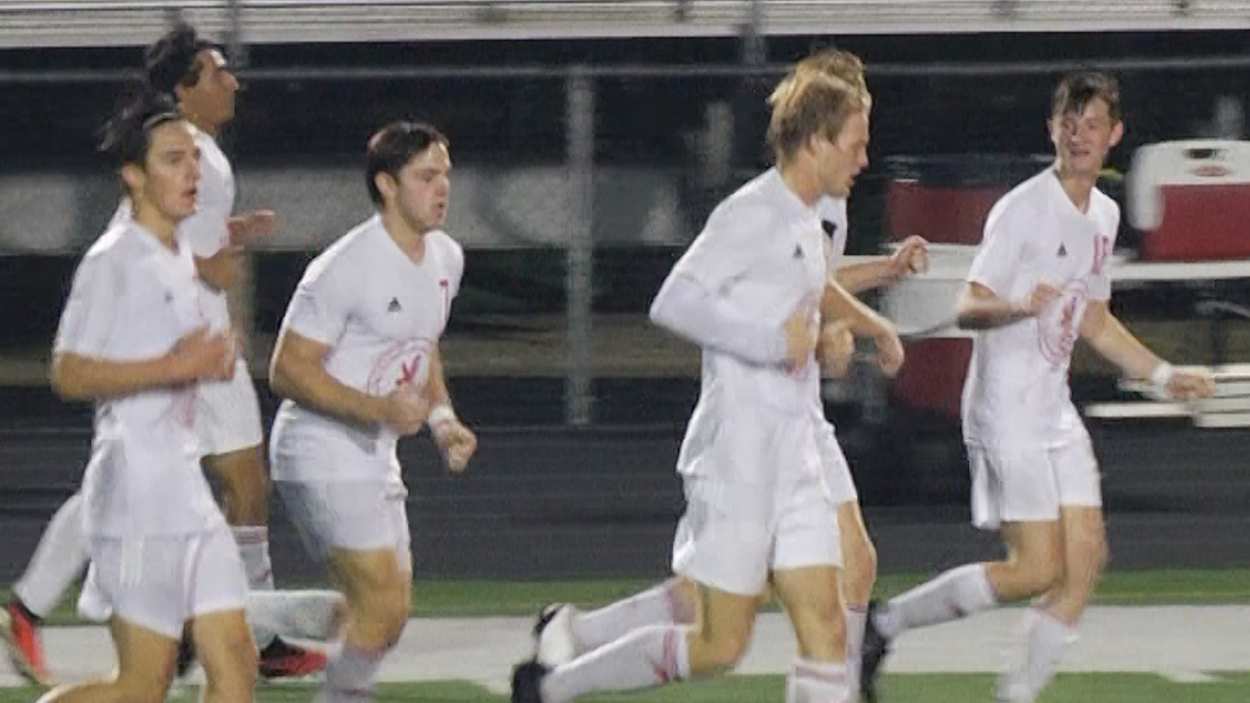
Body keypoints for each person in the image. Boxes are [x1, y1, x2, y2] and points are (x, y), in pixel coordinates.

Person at [528, 49, 925, 702]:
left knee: (827, 621)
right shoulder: (754, 212)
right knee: (717, 641)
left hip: (794, 446)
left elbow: (810, 290)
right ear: (818, 138)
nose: (863, 159)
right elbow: (673, 300)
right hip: (738, 454)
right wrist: (776, 342)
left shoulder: (804, 217)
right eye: (855, 143)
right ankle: (553, 687)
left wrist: (862, 326)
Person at [858, 71, 1216, 703]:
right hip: (1005, 414)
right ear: (1052, 129)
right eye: (1069, 123)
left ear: (1115, 135)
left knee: (1084, 563)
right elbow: (970, 306)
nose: (1079, 136)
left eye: (1092, 125)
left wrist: (1163, 375)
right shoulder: (1021, 211)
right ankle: (881, 626)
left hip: (1053, 412)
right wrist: (1022, 307)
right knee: (1034, 571)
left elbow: (1095, 320)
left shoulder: (1102, 214)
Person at [1, 23, 332, 684]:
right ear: (183, 92)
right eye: (216, 71)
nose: (232, 80)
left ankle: (40, 604)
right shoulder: (187, 167)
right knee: (228, 478)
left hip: (184, 367)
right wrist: (200, 319)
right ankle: (250, 629)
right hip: (180, 358)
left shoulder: (192, 160)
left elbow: (190, 251)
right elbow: (78, 358)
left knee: (182, 477)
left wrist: (228, 240)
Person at [36, 97, 255, 703]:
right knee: (140, 687)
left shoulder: (178, 253)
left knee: (236, 664)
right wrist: (174, 365)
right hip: (134, 499)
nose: (194, 172)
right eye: (174, 160)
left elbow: (178, 352)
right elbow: (68, 372)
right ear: (134, 175)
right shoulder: (113, 260)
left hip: (185, 490)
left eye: (195, 158)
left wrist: (210, 357)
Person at [268, 120, 477, 702]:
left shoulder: (446, 257)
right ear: (387, 185)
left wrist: (442, 419)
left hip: (376, 453)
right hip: (317, 446)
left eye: (446, 176)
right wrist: (377, 408)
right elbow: (287, 370)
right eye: (426, 176)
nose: (442, 188)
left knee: (388, 612)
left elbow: (422, 342)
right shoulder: (344, 268)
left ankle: (231, 612)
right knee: (380, 603)